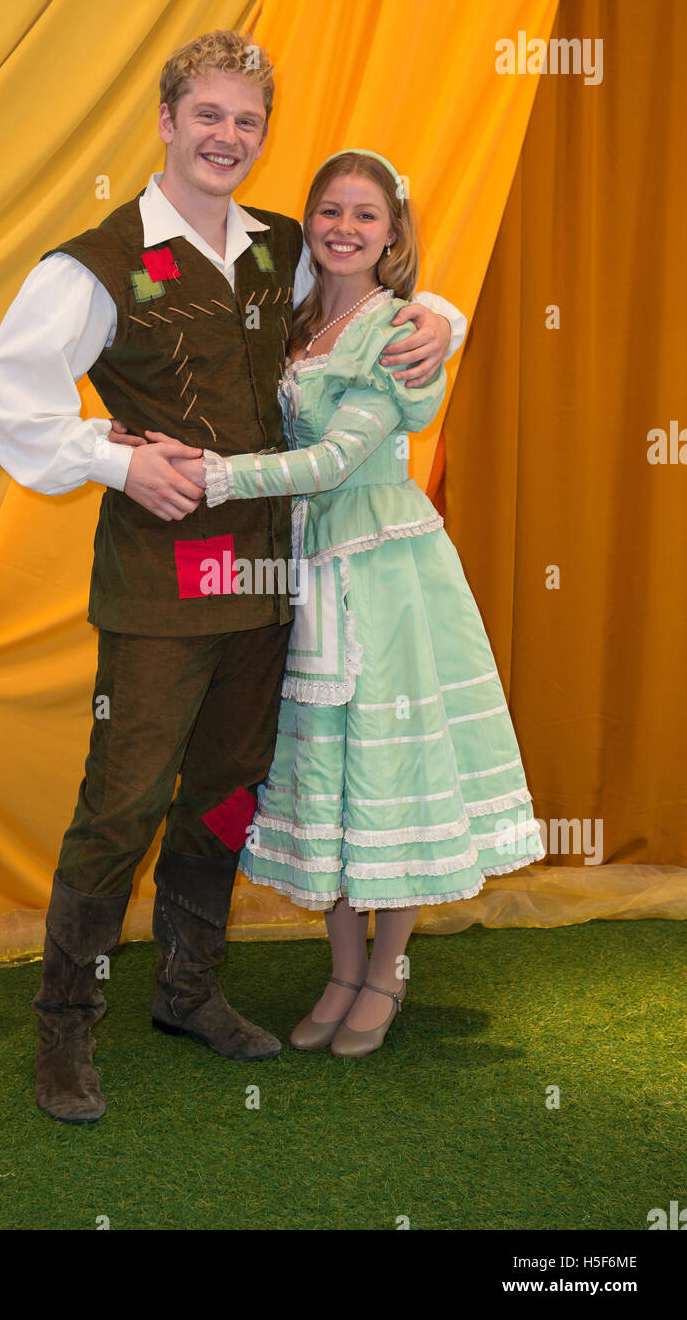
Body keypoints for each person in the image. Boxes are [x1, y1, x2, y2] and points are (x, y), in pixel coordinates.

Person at [0, 31, 467, 1122]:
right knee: (124, 800)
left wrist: (439, 315)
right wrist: (113, 457)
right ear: (166, 119)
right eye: (208, 115)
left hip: (266, 576)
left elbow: (373, 285)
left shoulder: (271, 247)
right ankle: (65, 1027)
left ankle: (188, 990)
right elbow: (10, 401)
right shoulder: (103, 263)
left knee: (227, 792)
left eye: (246, 121)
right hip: (162, 582)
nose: (226, 138)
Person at [171, 148, 545, 1059]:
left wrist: (215, 476)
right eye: (330, 211)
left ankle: (386, 972)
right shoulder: (293, 321)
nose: (344, 228)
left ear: (392, 234)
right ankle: (341, 969)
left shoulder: (397, 333)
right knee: (325, 771)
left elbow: (337, 461)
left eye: (365, 216)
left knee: (390, 765)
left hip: (382, 571)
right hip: (303, 570)